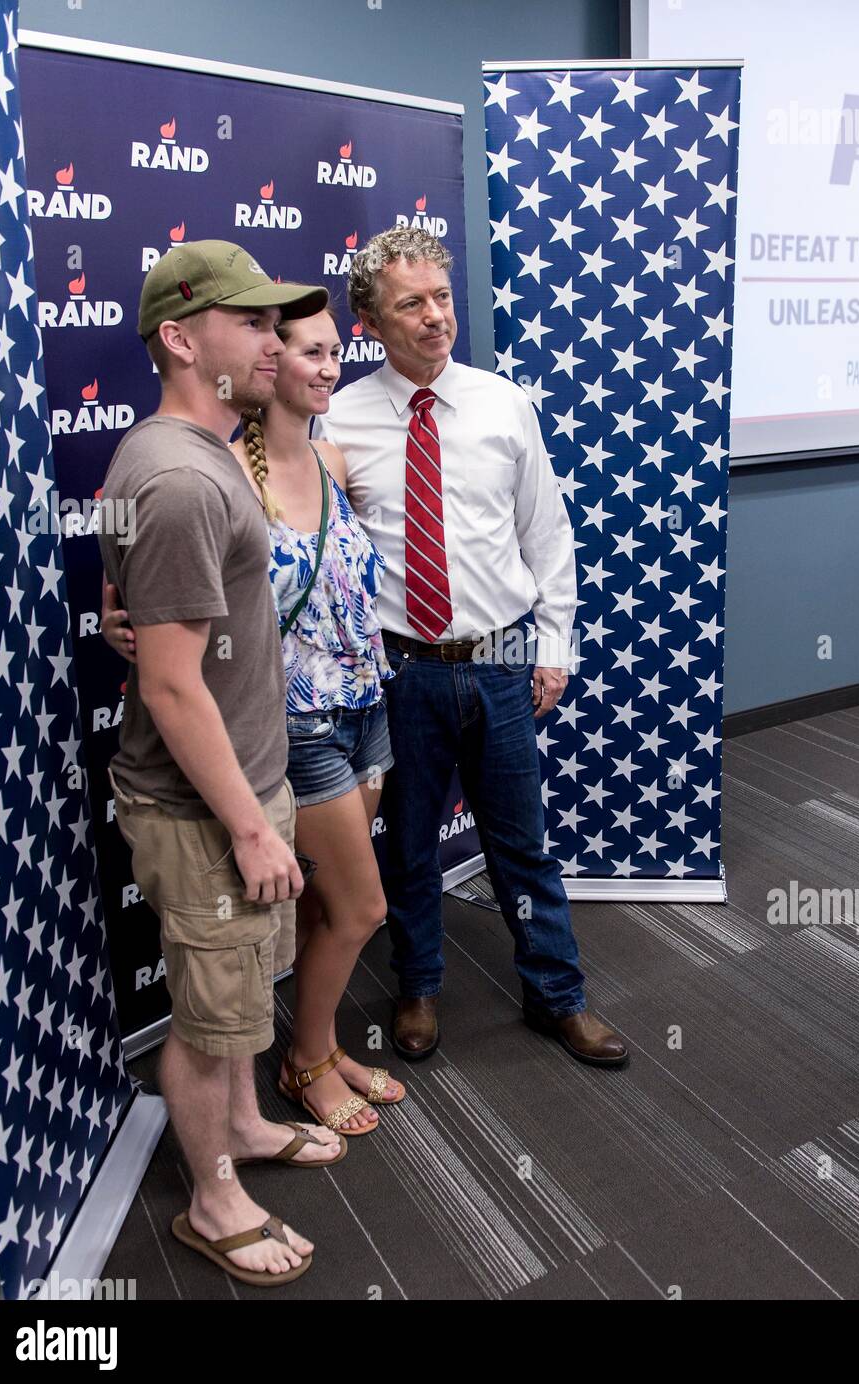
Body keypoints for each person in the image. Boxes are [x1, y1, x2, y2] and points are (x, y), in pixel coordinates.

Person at [318, 227, 629, 1068]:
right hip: (401, 671)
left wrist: (554, 647)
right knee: (409, 844)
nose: (435, 317)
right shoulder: (337, 420)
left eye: (442, 297)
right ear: (370, 323)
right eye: (410, 304)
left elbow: (546, 533)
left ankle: (558, 996)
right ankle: (417, 986)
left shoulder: (502, 404)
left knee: (522, 846)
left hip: (500, 663)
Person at [99, 240, 340, 1289]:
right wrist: (247, 825)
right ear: (181, 339)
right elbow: (169, 687)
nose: (272, 342)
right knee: (208, 1021)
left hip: (242, 781)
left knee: (239, 996)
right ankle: (212, 1198)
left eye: (273, 323)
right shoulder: (179, 476)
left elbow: (160, 621)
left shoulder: (195, 454)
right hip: (205, 811)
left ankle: (241, 1124)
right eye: (249, 323)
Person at [107, 298, 407, 1136]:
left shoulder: (334, 459)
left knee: (324, 908)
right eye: (306, 350)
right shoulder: (223, 474)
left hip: (364, 709)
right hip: (293, 726)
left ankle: (322, 1045)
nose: (325, 367)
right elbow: (144, 589)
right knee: (362, 908)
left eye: (333, 352)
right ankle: (305, 1061)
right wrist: (119, 622)